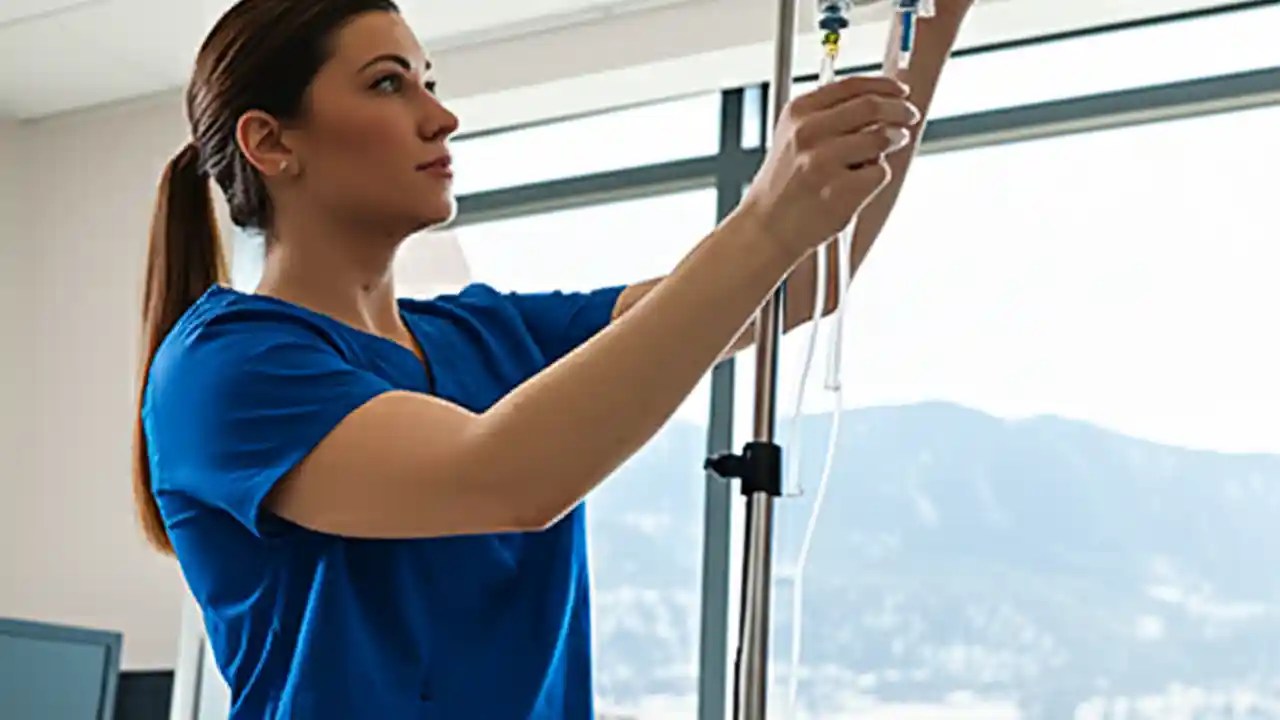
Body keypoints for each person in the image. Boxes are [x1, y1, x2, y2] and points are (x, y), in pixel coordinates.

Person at [134, 0, 972, 716]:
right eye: (389, 83)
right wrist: (762, 221)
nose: (440, 116)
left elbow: (796, 286)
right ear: (271, 143)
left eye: (430, 81)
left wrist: (931, 29)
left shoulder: (491, 335)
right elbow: (505, 479)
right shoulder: (225, 367)